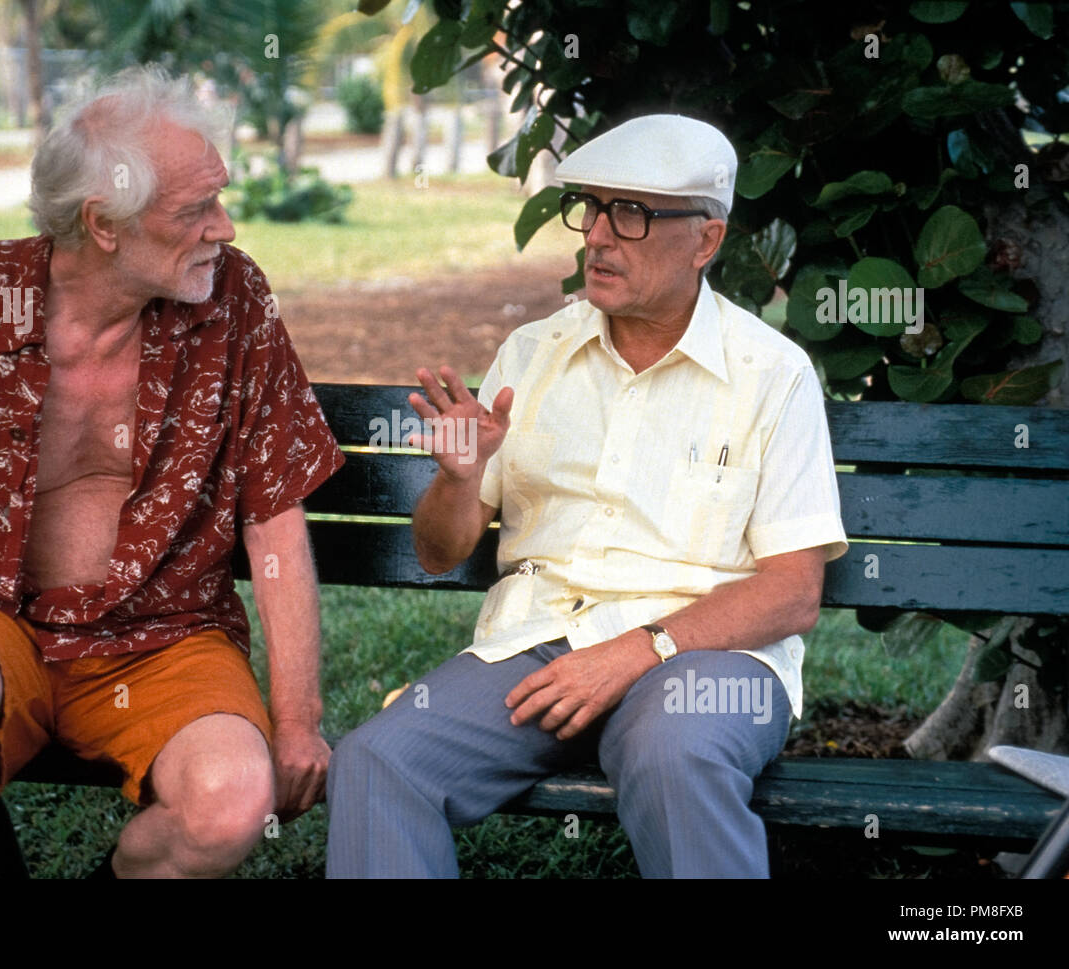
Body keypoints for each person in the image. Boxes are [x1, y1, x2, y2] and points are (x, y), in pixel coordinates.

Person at [0, 66, 343, 878]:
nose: (226, 227)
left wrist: (298, 714)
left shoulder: (233, 301)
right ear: (104, 225)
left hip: (165, 636)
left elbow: (273, 511)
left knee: (233, 795)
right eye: (196, 209)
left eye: (220, 199)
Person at [325, 113, 848, 878]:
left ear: (707, 239)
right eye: (592, 208)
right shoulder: (533, 352)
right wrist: (460, 477)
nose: (597, 235)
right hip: (539, 645)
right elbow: (439, 553)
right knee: (377, 761)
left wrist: (636, 653)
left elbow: (794, 593)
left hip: (703, 656)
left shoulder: (773, 373)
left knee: (676, 751)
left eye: (631, 213)